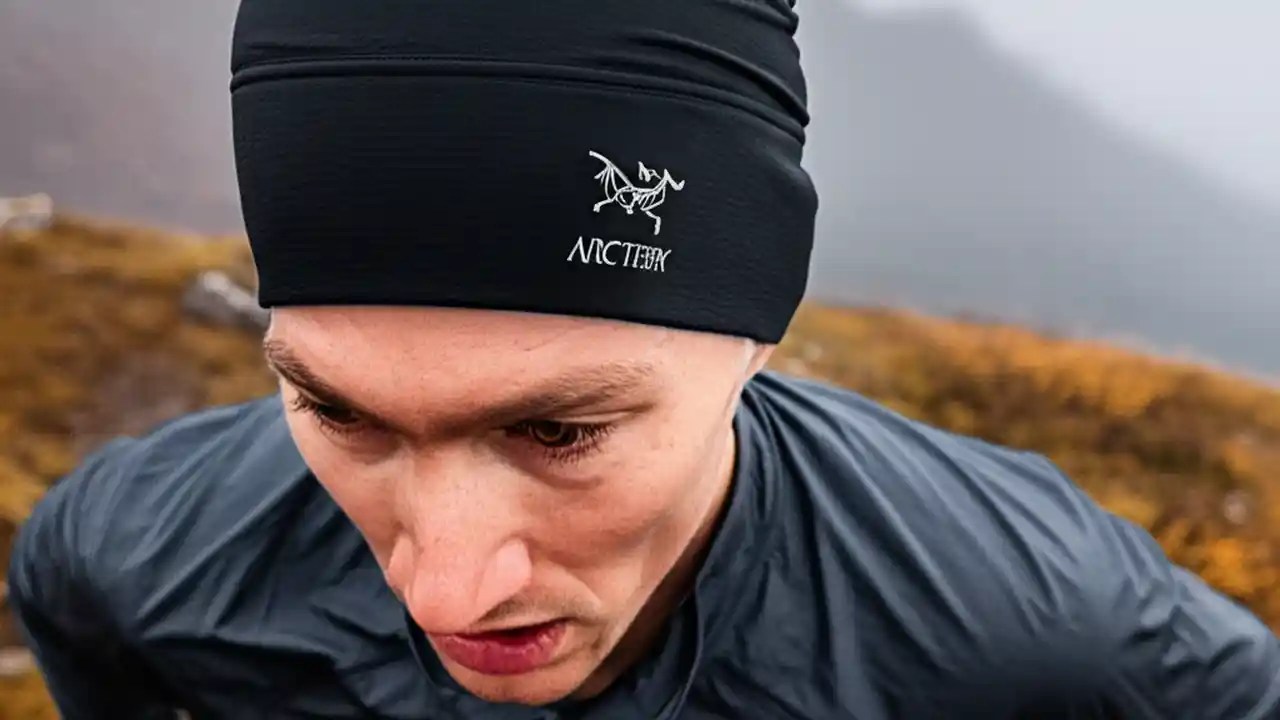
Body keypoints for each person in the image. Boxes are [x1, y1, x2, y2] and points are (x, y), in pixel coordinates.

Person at [9, 0, 1280, 718]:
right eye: (340, 412)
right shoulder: (136, 544)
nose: (443, 594)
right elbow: (74, 605)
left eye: (557, 432)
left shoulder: (1025, 607)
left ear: (753, 341)